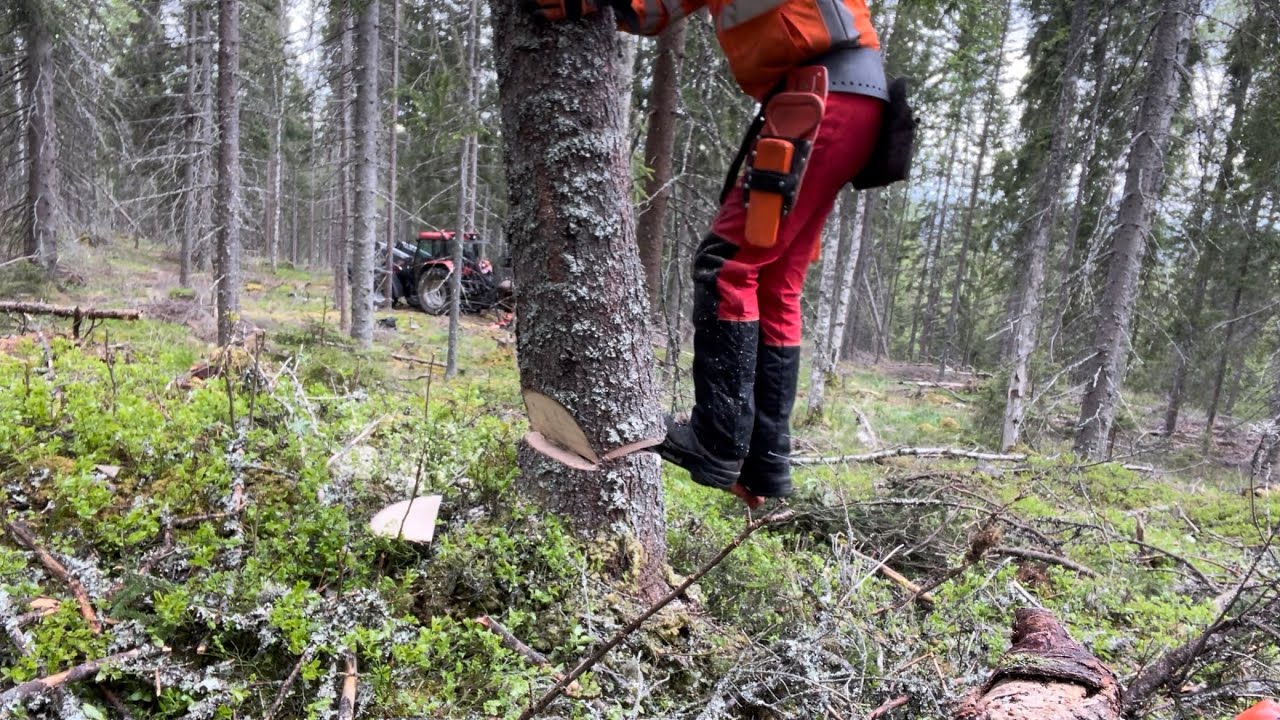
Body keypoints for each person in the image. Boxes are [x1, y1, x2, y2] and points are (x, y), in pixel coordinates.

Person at [529, 0, 900, 505]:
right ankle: (763, 461)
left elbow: (651, 9)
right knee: (775, 282)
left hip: (822, 94)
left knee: (727, 266)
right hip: (850, 99)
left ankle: (716, 440)